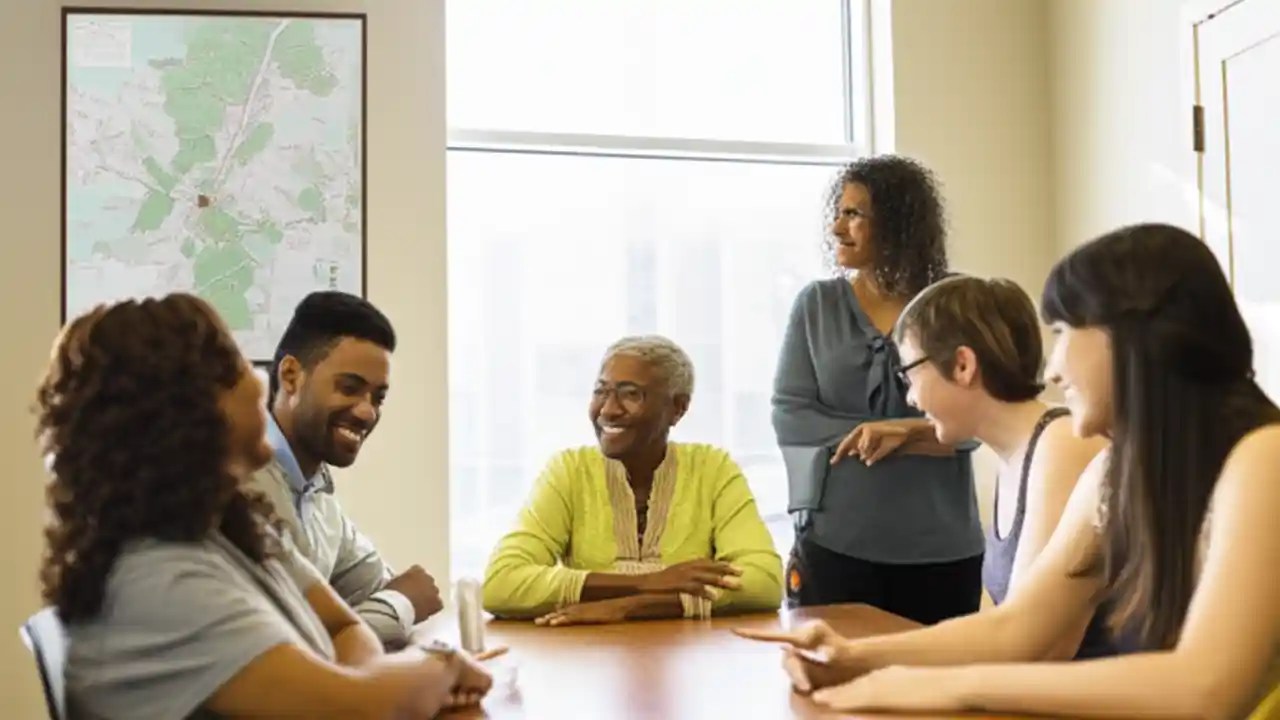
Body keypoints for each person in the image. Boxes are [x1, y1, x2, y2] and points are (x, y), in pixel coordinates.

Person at [739, 224, 1280, 718]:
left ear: (1130, 334)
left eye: (1066, 331)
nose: (1054, 366)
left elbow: (1206, 688)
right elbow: (1019, 627)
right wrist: (857, 656)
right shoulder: (1117, 472)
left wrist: (948, 687)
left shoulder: (1263, 456)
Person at [40, 294, 492, 719]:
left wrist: (375, 680)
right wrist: (442, 664)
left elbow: (341, 628)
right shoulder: (161, 580)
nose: (260, 377)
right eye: (235, 363)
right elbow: (359, 707)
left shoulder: (232, 524)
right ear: (187, 407)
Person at [772, 154, 982, 625]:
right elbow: (792, 415)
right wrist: (897, 432)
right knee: (831, 690)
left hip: (942, 552)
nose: (837, 228)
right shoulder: (817, 304)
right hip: (834, 544)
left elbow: (980, 421)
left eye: (854, 214)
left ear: (898, 223)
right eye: (839, 212)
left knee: (938, 691)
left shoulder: (958, 303)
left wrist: (903, 434)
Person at [483, 335, 783, 625]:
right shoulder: (569, 470)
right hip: (586, 655)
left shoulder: (713, 469)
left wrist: (637, 605)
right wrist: (649, 582)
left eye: (630, 394)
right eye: (601, 391)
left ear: (678, 408)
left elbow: (764, 581)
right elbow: (501, 583)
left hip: (691, 656)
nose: (608, 410)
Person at [892, 274, 1113, 657]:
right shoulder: (1013, 457)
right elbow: (992, 623)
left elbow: (1043, 648)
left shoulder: (1061, 445)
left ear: (963, 364)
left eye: (909, 374)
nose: (910, 397)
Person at [249, 291, 442, 648]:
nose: (367, 412)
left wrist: (394, 600)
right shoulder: (242, 485)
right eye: (349, 388)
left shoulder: (317, 494)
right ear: (291, 376)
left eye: (378, 397)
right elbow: (293, 648)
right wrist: (402, 603)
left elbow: (380, 587)